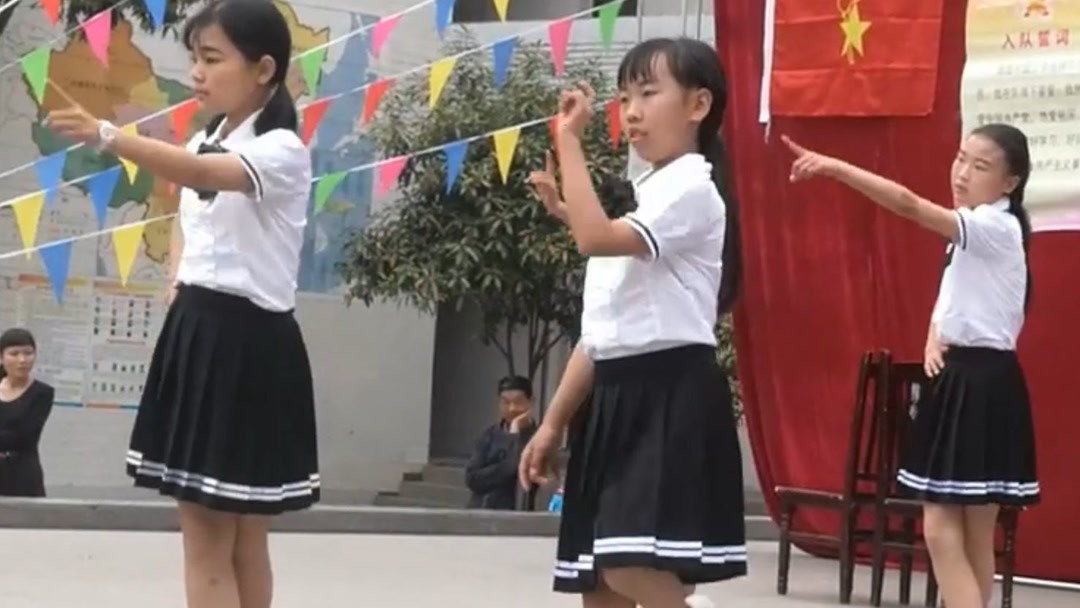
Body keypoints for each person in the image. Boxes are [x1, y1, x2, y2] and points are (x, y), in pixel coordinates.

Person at [46, 2, 319, 607]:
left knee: (221, 538)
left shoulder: (280, 149)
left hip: (243, 342)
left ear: (264, 69)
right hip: (204, 327)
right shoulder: (208, 138)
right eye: (194, 57)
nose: (196, 72)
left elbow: (200, 173)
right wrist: (177, 280)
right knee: (229, 536)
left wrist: (108, 134)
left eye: (212, 58)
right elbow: (187, 214)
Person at [519, 37, 747, 608]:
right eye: (625, 98)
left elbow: (594, 237)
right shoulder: (648, 202)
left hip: (668, 397)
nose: (633, 112)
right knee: (599, 587)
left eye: (648, 93)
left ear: (698, 105)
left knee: (629, 566)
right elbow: (601, 337)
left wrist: (569, 141)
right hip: (615, 401)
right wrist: (552, 425)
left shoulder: (693, 189)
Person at [782, 123, 1039, 608]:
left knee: (940, 528)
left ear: (1010, 182)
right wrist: (933, 336)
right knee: (972, 534)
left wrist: (835, 167)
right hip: (974, 378)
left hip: (978, 384)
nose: (961, 173)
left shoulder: (993, 228)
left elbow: (908, 205)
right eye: (960, 158)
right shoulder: (978, 228)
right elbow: (957, 300)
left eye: (980, 166)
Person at [465, 375, 536, 510]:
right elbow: (472, 478)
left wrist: (514, 434)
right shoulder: (488, 436)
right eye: (506, 402)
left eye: (518, 402)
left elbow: (516, 467)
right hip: (484, 509)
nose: (512, 408)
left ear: (531, 402)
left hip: (521, 512)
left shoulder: (538, 438)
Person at [0, 328, 54, 498]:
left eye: (28, 353)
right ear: (1, 358)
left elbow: (24, 437)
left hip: (22, 475)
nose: (22, 360)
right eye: (14, 354)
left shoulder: (42, 393)